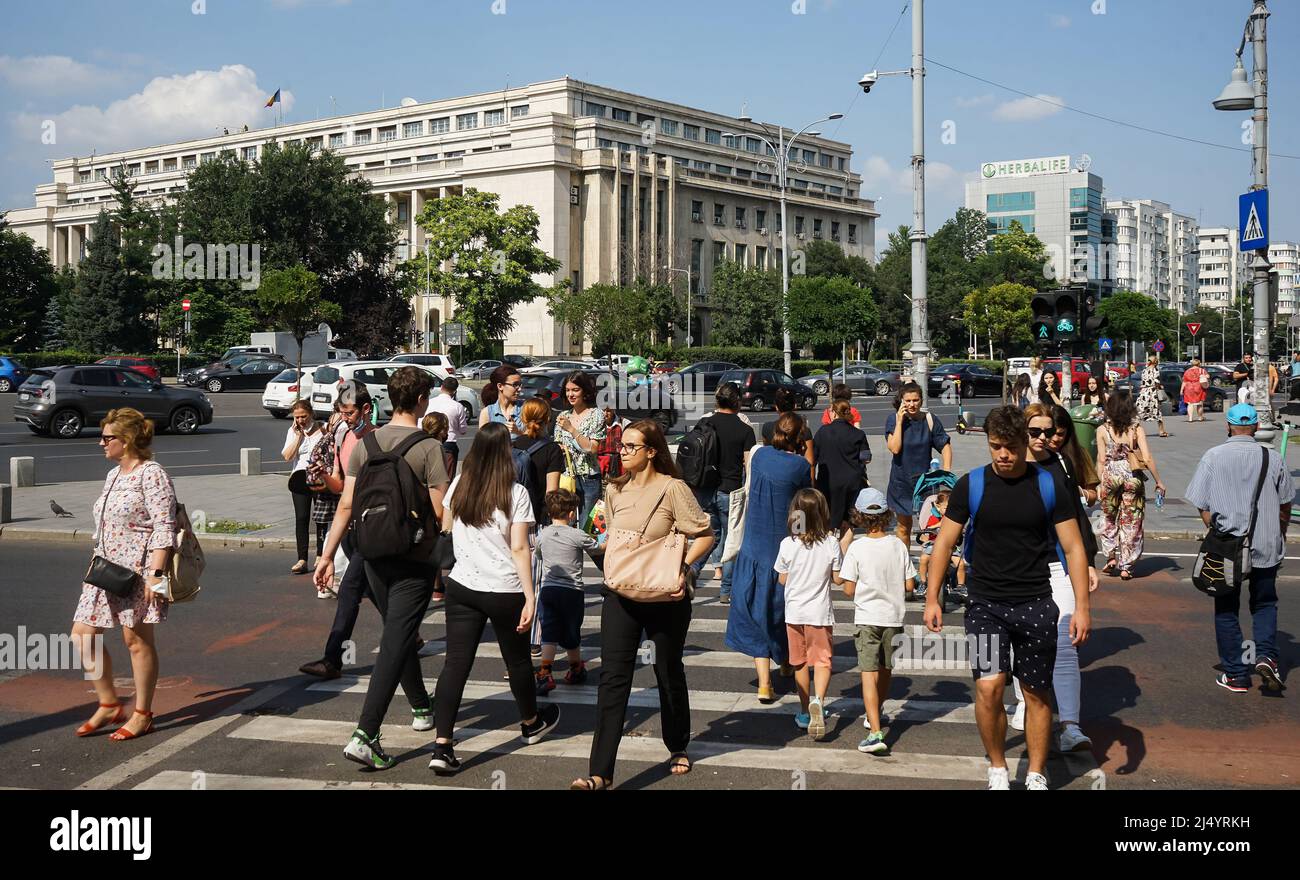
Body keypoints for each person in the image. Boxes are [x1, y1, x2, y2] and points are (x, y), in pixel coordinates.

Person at [924, 405, 1091, 790]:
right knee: (988, 686)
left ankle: (1035, 772)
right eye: (996, 446)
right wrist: (932, 597)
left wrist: (1082, 607)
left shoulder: (1049, 485)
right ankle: (998, 767)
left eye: (1011, 447)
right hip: (985, 605)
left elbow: (1075, 547)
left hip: (1036, 603)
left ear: (1026, 444)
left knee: (1035, 692)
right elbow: (944, 542)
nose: (1003, 455)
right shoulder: (972, 485)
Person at [314, 366, 449, 770]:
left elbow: (346, 505)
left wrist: (326, 555)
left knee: (398, 633)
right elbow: (442, 515)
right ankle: (365, 733)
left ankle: (422, 708)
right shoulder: (428, 448)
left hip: (370, 553)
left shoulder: (366, 445)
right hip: (413, 558)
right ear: (422, 401)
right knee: (397, 638)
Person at [572, 420, 714, 790]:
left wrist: (683, 567)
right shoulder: (614, 489)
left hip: (665, 595)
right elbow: (606, 538)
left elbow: (704, 535)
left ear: (652, 452)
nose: (623, 452)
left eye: (631, 446)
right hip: (620, 593)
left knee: (667, 671)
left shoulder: (673, 489)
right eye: (621, 446)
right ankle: (599, 772)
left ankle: (677, 744)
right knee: (612, 680)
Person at [427, 422, 562, 773]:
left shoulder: (459, 485)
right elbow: (519, 547)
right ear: (505, 453)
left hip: (462, 586)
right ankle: (531, 723)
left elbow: (445, 522)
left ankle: (442, 747)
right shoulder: (515, 493)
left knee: (455, 663)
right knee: (516, 662)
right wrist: (531, 596)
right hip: (504, 588)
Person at [71, 408, 176, 740]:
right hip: (105, 569)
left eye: (106, 437)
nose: (100, 443)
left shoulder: (152, 474)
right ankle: (108, 702)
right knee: (82, 635)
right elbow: (105, 524)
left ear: (126, 440)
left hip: (142, 570)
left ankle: (143, 714)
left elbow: (165, 526)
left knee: (136, 640)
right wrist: (94, 557)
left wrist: (156, 576)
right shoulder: (114, 474)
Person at [1010, 404, 1100, 752]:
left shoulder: (1061, 462)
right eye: (1035, 432)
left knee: (1065, 644)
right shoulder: (1010, 465)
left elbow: (1077, 517)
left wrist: (1088, 561)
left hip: (1058, 564)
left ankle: (1071, 726)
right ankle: (1023, 702)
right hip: (1020, 568)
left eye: (1049, 432)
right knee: (1022, 641)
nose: (1044, 438)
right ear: (1023, 432)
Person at [1186, 403, 1293, 694]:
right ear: (1257, 427)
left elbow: (1201, 501)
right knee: (1264, 603)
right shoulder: (1272, 458)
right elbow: (1286, 502)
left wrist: (1213, 527)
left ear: (1228, 427)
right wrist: (1280, 532)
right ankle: (1267, 657)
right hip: (1266, 543)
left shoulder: (1213, 457)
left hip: (1227, 547)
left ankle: (1235, 674)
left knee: (1226, 607)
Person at [727, 413, 813, 702]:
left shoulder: (760, 456)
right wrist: (801, 537)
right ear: (799, 438)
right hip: (783, 547)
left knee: (754, 612)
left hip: (753, 546)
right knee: (783, 611)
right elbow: (802, 506)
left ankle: (764, 683)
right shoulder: (801, 465)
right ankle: (788, 661)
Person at [300, 381, 379, 680]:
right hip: (350, 524)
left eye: (349, 412)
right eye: (341, 412)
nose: (344, 418)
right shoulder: (342, 435)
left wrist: (327, 555)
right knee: (369, 588)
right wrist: (323, 476)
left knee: (349, 590)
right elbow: (340, 484)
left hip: (370, 526)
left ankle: (332, 659)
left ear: (366, 410)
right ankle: (409, 636)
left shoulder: (377, 440)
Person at [835, 487, 914, 755]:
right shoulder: (898, 545)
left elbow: (847, 588)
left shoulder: (857, 548)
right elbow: (910, 584)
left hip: (868, 617)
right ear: (887, 515)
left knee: (868, 674)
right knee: (885, 669)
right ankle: (875, 712)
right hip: (894, 617)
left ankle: (875, 732)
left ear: (858, 516)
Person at [773, 488, 841, 741]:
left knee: (799, 661)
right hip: (820, 613)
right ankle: (819, 702)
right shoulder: (831, 543)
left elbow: (782, 579)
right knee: (822, 660)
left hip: (794, 613)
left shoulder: (788, 544)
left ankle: (803, 711)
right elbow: (836, 579)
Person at [689, 382, 755, 604]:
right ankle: (726, 591)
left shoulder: (705, 422)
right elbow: (749, 466)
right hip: (731, 491)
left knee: (710, 536)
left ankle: (694, 569)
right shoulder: (745, 430)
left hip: (706, 489)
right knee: (732, 541)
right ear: (737, 401)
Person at [534, 488, 601, 696]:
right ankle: (576, 668)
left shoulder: (542, 535)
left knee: (549, 633)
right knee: (572, 632)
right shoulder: (578, 535)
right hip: (572, 592)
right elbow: (598, 547)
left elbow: (538, 554)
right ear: (572, 514)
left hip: (549, 590)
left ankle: (545, 672)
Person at [1097, 392, 1166, 580]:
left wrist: (1098, 483)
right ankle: (1127, 565)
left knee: (1108, 516)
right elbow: (1147, 457)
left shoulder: (1102, 430)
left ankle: (1111, 556)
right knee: (1132, 521)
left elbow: (1101, 459)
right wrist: (1158, 481)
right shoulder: (1136, 429)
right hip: (1132, 475)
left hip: (1110, 476)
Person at [884, 382, 952, 545]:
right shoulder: (893, 420)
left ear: (921, 400)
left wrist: (946, 471)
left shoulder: (930, 419)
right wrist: (900, 421)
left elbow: (945, 446)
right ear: (901, 401)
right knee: (903, 527)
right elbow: (894, 448)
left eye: (915, 400)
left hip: (925, 483)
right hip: (902, 482)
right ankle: (905, 564)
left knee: (929, 528)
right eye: (907, 400)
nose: (911, 404)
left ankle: (929, 563)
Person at [553, 370, 607, 524]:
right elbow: (558, 446)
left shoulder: (596, 414)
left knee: (588, 526)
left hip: (589, 478)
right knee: (565, 523)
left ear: (585, 391)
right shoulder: (563, 416)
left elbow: (593, 448)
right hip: (567, 477)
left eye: (575, 390)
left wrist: (572, 429)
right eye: (568, 390)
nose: (571, 394)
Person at [306, 404, 347, 598]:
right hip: (336, 493)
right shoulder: (338, 437)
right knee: (337, 533)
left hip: (329, 491)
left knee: (334, 531)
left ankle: (333, 578)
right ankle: (334, 579)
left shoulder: (326, 436)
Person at [814, 399, 871, 535]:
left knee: (828, 521)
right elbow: (866, 458)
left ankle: (830, 550)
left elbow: (813, 457)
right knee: (848, 522)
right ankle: (844, 553)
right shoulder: (858, 434)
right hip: (851, 483)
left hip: (828, 482)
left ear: (833, 412)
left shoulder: (823, 432)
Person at [283, 400, 325, 574]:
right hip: (299, 479)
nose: (300, 420)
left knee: (321, 517)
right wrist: (299, 436)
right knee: (301, 517)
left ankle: (321, 555)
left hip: (320, 478)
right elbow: (287, 456)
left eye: (303, 416)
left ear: (311, 414)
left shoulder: (323, 430)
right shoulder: (292, 432)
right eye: (297, 417)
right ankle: (302, 559)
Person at [916, 488, 965, 602]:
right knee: (923, 559)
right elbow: (928, 530)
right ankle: (923, 582)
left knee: (960, 564)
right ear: (938, 507)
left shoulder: (954, 518)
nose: (949, 511)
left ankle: (961, 585)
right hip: (934, 545)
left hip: (950, 546)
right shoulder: (933, 518)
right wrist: (929, 530)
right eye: (946, 508)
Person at [763, 386, 815, 477]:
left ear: (776, 407)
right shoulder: (804, 430)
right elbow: (810, 463)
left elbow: (767, 454)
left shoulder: (767, 427)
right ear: (795, 405)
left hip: (774, 476)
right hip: (797, 477)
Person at [425, 375, 469, 478]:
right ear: (454, 391)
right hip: (449, 444)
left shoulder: (429, 403)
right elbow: (463, 430)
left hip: (429, 442)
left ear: (441, 387)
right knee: (447, 478)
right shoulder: (458, 406)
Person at [479, 364, 525, 432]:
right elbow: (483, 441)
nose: (519, 389)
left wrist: (518, 432)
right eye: (515, 385)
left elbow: (538, 439)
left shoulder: (526, 408)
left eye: (520, 384)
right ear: (500, 386)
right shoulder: (487, 412)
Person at [1136, 355, 1169, 438]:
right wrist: (1160, 387)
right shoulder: (1155, 370)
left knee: (1140, 410)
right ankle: (1161, 431)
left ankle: (1134, 429)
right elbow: (1156, 381)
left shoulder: (1144, 370)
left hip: (1144, 392)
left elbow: (1143, 381)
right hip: (1152, 392)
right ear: (1155, 362)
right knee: (1157, 411)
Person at [1181, 356, 1209, 423]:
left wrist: (1181, 390)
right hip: (1198, 387)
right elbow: (1207, 376)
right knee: (1199, 404)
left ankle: (1190, 418)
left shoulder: (1187, 371)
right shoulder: (1202, 370)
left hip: (1188, 388)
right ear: (1199, 364)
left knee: (1190, 404)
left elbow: (1184, 381)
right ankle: (1200, 417)